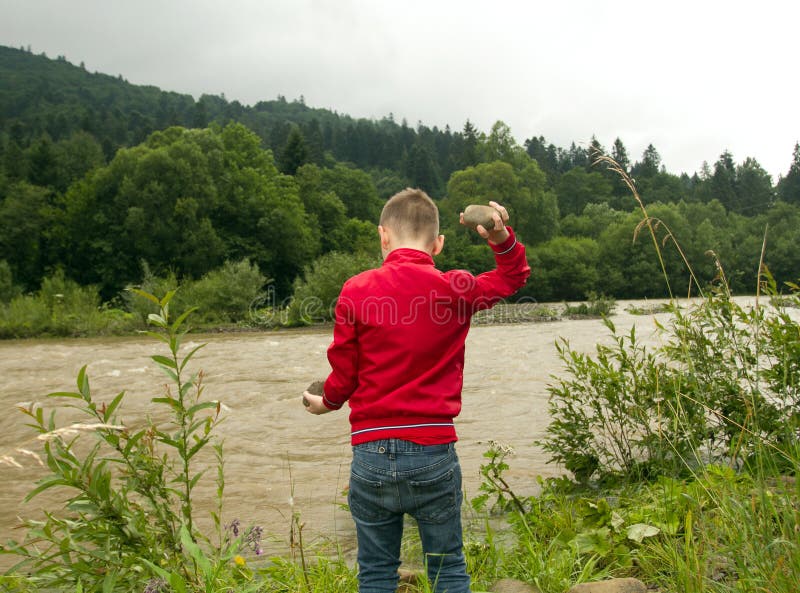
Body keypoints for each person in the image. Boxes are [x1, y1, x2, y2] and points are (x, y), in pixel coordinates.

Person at [303, 188, 530, 593]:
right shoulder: (455, 288)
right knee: (448, 569)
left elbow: (344, 370)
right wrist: (500, 238)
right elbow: (512, 278)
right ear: (438, 244)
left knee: (375, 572)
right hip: (433, 452)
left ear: (383, 236)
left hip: (370, 453)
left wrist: (327, 402)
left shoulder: (355, 290)